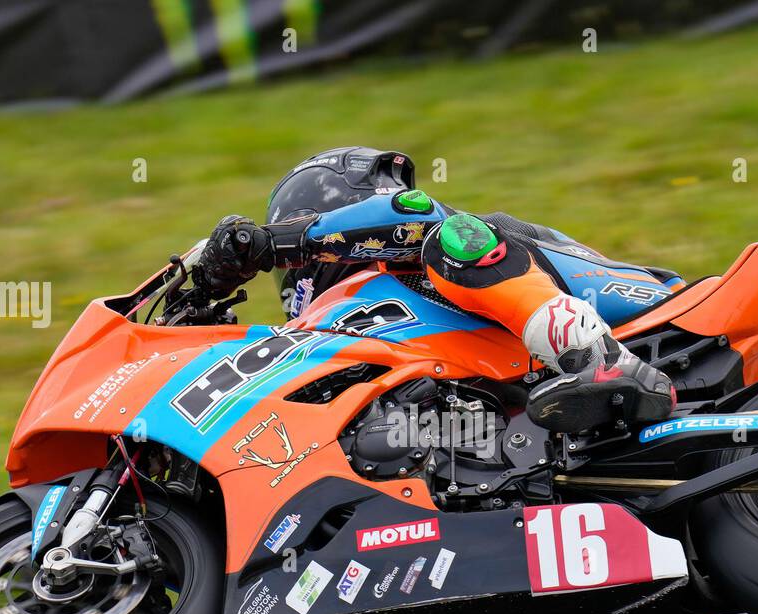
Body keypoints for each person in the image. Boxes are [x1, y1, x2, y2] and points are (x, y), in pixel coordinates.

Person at [195, 146, 678, 433]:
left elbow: (411, 211)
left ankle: (599, 359)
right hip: (523, 385)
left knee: (449, 242)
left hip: (662, 316)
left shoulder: (409, 246)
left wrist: (269, 243)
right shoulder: (373, 319)